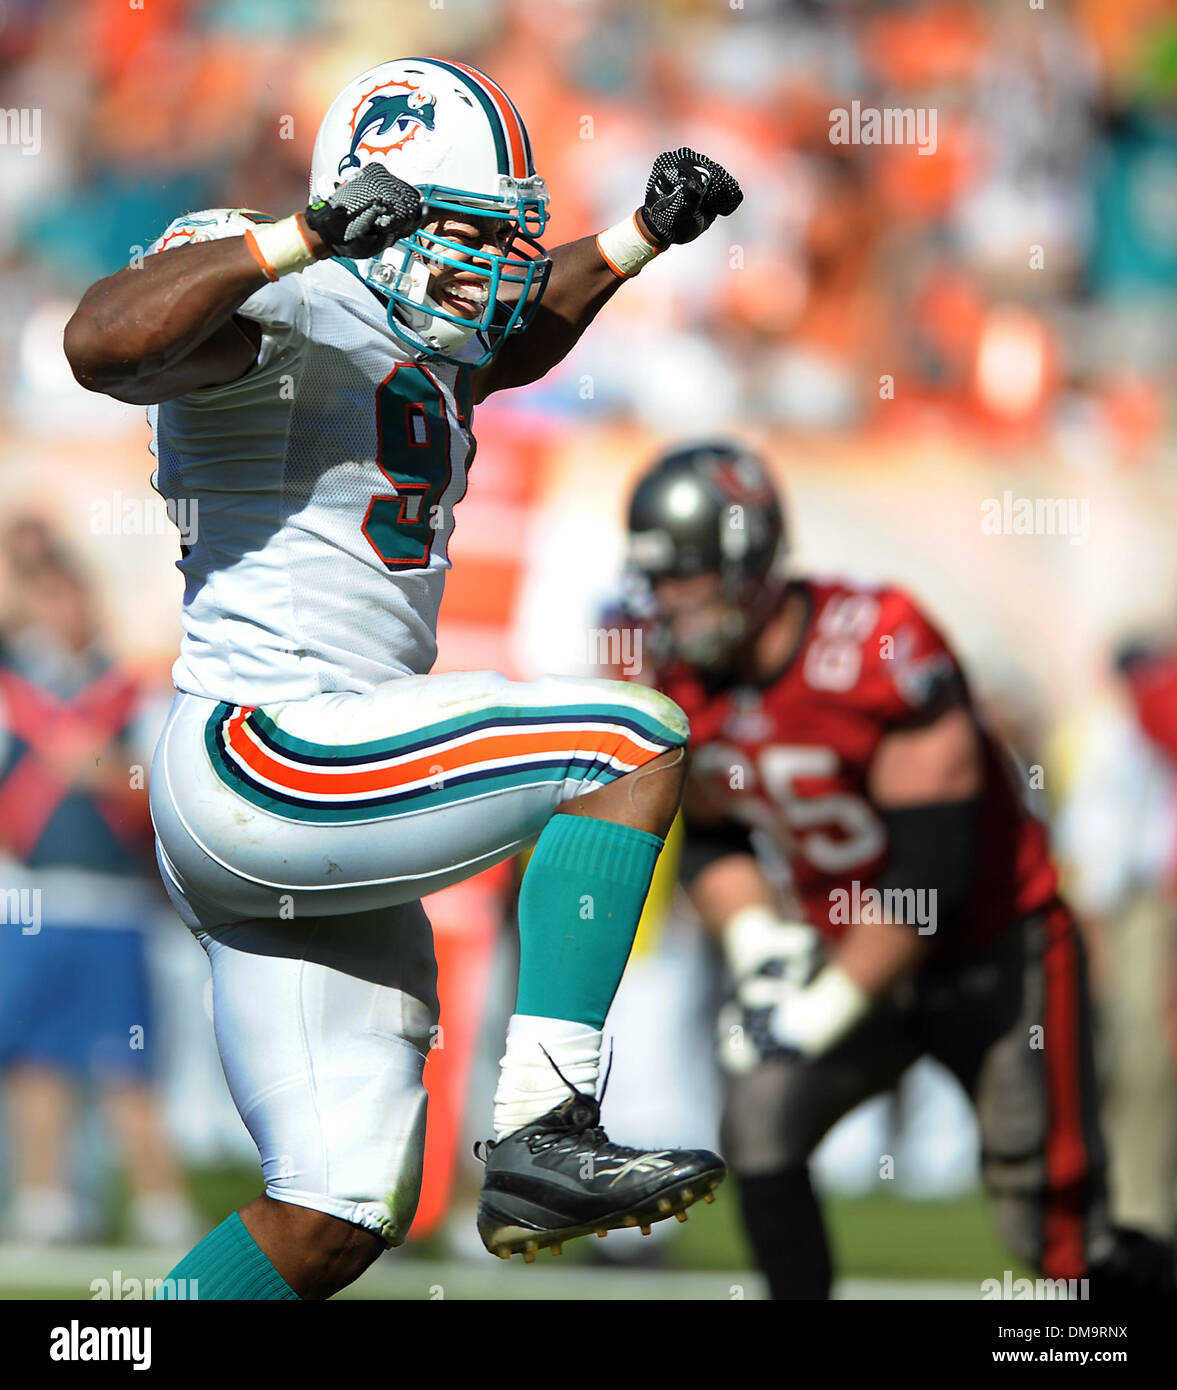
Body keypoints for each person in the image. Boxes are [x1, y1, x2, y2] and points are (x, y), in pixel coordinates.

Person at [64, 57, 742, 1299]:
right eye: (470, 236)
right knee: (628, 738)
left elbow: (519, 331)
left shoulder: (427, 332)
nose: (496, 267)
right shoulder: (286, 283)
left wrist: (640, 236)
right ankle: (546, 1128)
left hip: (307, 779)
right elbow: (101, 342)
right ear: (370, 213)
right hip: (264, 743)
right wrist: (298, 236)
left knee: (332, 1216)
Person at [623, 438, 1175, 1300]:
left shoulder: (876, 643)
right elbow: (712, 832)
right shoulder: (686, 681)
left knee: (1056, 1236)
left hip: (993, 950)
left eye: (682, 574)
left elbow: (933, 870)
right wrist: (759, 944)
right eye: (656, 576)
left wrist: (829, 1001)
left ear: (747, 559)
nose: (664, 600)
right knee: (761, 1119)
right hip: (848, 948)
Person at [0, 528, 197, 1247]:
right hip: (30, 902)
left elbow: (162, 797)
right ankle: (44, 1199)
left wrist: (102, 769)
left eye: (65, 593)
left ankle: (158, 1203)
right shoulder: (12, 687)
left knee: (127, 1060)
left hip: (113, 905)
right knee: (36, 1061)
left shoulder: (128, 691)